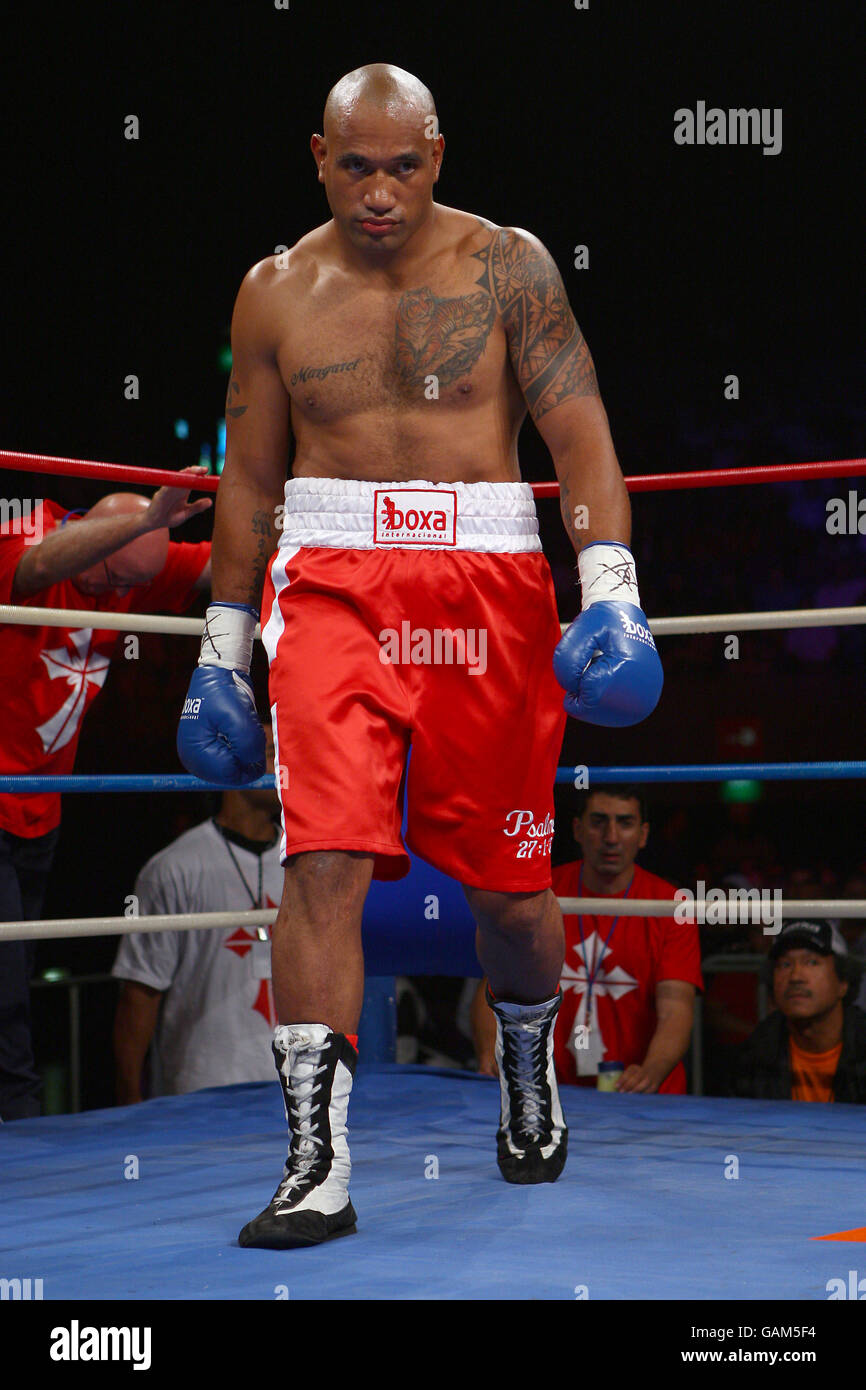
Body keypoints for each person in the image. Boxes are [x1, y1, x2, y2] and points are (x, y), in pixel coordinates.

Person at [177, 64, 663, 1248]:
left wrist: (612, 591)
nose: (380, 191)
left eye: (402, 165)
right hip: (333, 575)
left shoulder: (509, 265)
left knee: (508, 891)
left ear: (437, 156)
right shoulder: (274, 292)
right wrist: (219, 649)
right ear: (317, 156)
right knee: (322, 860)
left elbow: (580, 430)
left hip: (486, 578)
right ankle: (316, 1164)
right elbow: (247, 484)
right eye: (356, 165)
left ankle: (525, 1052)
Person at [0, 471, 211, 1121]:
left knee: (22, 970)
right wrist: (143, 526)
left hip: (44, 807)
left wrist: (303, 506)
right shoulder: (30, 527)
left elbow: (224, 567)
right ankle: (20, 1125)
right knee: (5, 989)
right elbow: (33, 571)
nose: (112, 595)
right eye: (108, 576)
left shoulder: (135, 565)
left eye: (127, 587)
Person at [473, 786, 701, 1093]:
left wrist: (651, 1071)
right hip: (550, 1090)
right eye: (598, 821)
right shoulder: (538, 895)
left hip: (644, 1096)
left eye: (625, 823)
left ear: (643, 834)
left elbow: (676, 1006)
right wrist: (491, 1052)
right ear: (578, 830)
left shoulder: (671, 905)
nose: (611, 837)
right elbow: (495, 986)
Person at [112, 723, 282, 1101]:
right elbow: (140, 994)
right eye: (273, 751)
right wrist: (129, 1104)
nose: (288, 766)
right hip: (200, 1093)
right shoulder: (174, 868)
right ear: (235, 765)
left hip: (290, 1092)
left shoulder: (304, 862)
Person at [733, 920, 866, 1103]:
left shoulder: (861, 1046)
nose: (796, 977)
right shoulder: (755, 1053)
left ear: (843, 983)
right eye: (785, 965)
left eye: (812, 962)